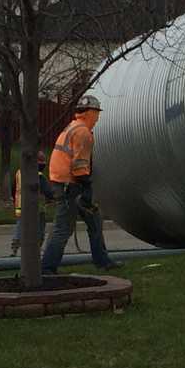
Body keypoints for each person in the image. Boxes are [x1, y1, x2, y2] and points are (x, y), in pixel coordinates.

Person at [41, 95, 123, 274]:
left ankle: (102, 260)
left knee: (94, 220)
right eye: (96, 114)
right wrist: (86, 188)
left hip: (64, 182)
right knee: (63, 228)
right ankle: (47, 268)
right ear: (89, 113)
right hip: (70, 185)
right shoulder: (83, 132)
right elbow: (79, 166)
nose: (98, 118)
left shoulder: (72, 127)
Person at [10, 150, 56, 256]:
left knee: (20, 227)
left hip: (20, 207)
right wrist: (54, 197)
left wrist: (15, 199)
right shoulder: (39, 176)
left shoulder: (19, 173)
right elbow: (49, 192)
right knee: (39, 230)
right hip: (37, 208)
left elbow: (13, 189)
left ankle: (14, 248)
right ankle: (36, 250)